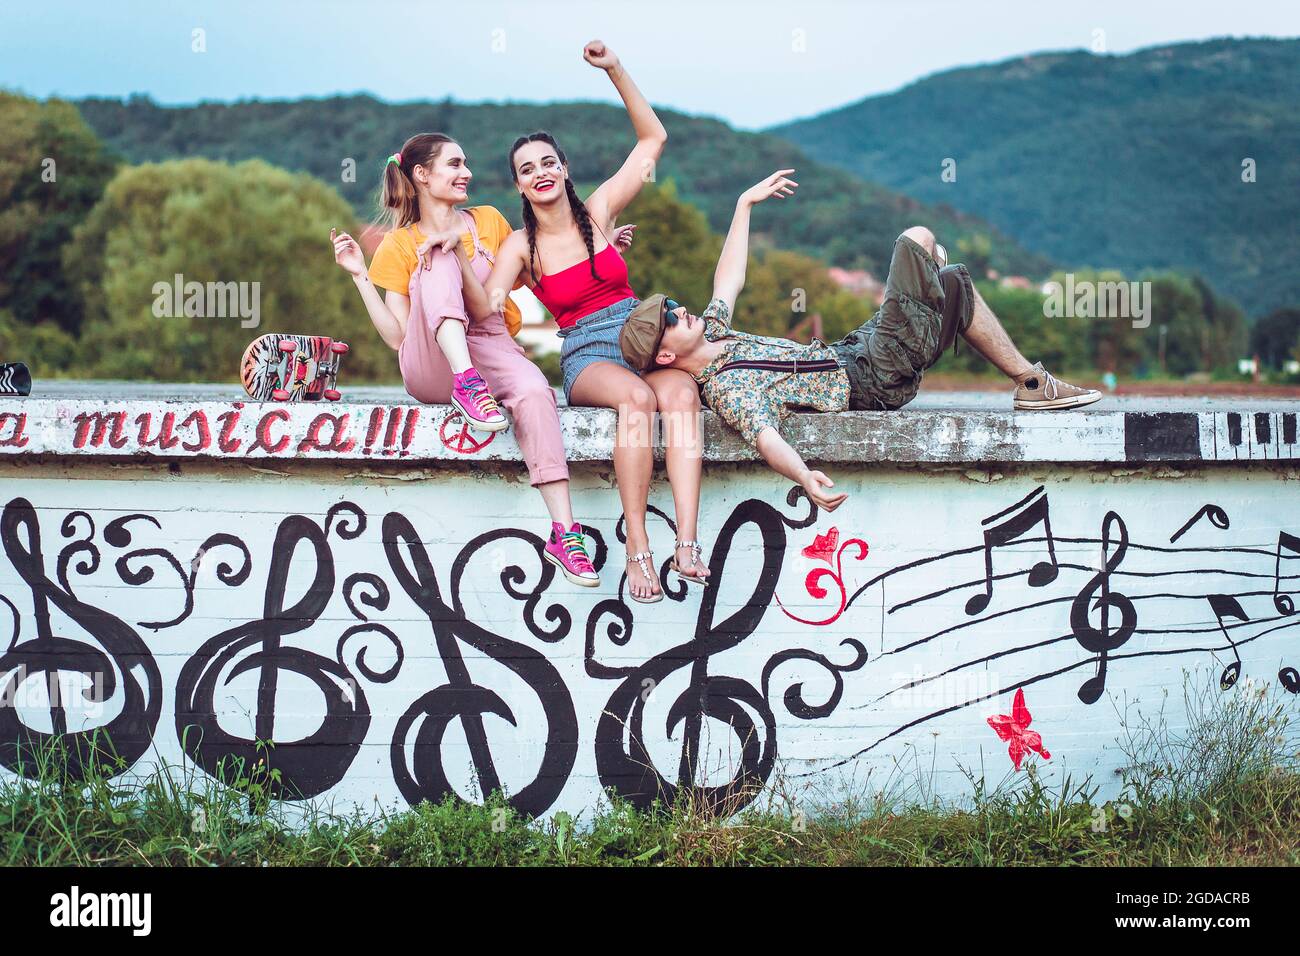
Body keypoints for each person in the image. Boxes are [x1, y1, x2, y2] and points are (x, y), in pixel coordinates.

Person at [618, 169, 1104, 513]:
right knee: (916, 238)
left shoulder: (717, 331)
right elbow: (767, 440)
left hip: (856, 349)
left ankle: (1032, 385)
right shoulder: (726, 387)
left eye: (673, 305)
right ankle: (934, 275)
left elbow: (730, 277)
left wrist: (744, 204)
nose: (682, 310)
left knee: (955, 279)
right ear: (665, 353)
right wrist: (805, 478)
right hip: (871, 377)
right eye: (672, 318)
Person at [330, 132, 633, 588]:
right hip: (433, 361)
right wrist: (359, 276)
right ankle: (466, 382)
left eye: (465, 162)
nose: (466, 172)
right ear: (422, 175)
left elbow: (540, 268)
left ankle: (565, 533)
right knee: (437, 255)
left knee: (535, 391)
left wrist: (601, 247)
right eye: (454, 164)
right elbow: (397, 336)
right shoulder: (398, 244)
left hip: (489, 341)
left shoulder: (489, 222)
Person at [467, 40, 709, 604]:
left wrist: (615, 70)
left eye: (548, 161)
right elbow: (486, 305)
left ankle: (688, 544)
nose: (541, 172)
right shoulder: (521, 247)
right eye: (527, 169)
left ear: (564, 168)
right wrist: (455, 250)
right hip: (587, 355)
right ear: (520, 186)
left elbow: (654, 140)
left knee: (681, 397)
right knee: (639, 401)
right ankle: (638, 547)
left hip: (640, 338)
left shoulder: (599, 213)